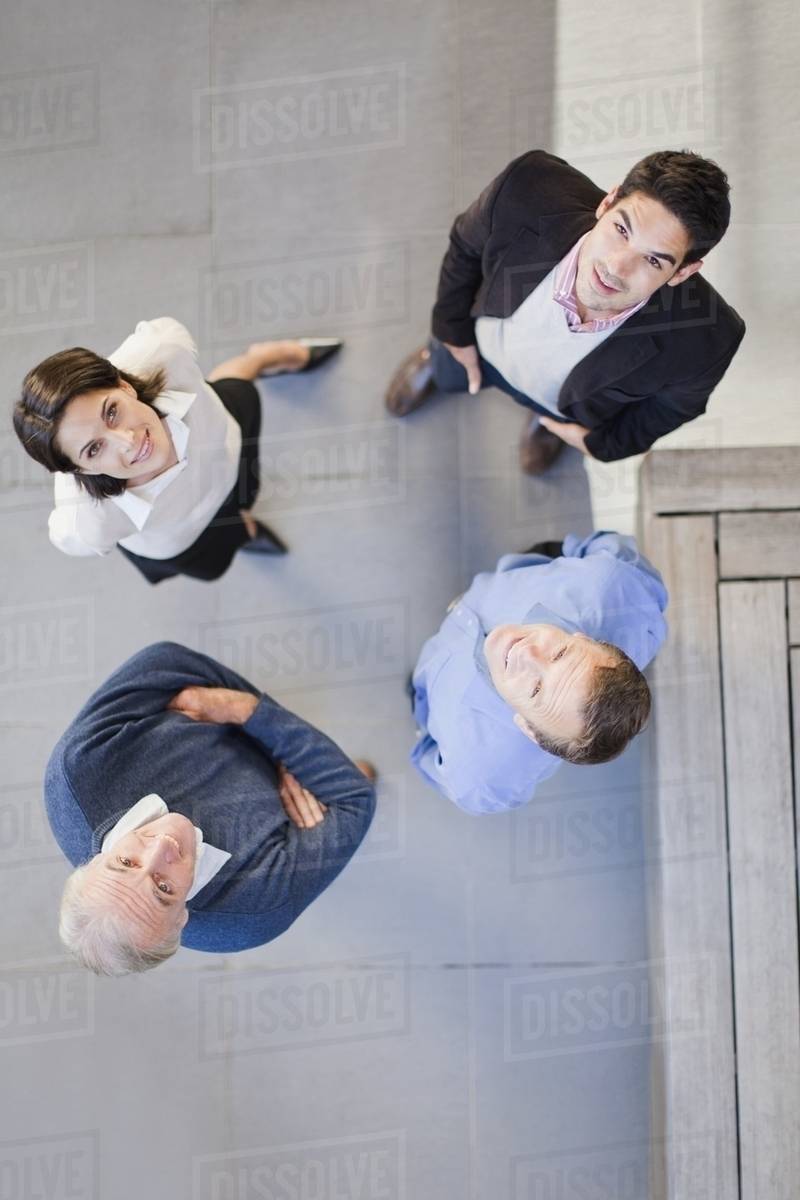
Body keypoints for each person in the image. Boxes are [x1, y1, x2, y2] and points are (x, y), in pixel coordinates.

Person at [385, 148, 745, 473]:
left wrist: (600, 444)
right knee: (448, 366)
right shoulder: (527, 189)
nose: (616, 267)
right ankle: (436, 362)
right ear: (607, 203)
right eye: (622, 229)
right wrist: (450, 331)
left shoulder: (707, 343)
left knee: (555, 418)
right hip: (482, 342)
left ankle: (546, 425)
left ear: (682, 273)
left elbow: (672, 409)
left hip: (563, 405)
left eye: (653, 260)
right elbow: (465, 245)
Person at [45, 642, 376, 974]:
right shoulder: (254, 913)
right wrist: (249, 714)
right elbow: (355, 799)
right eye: (164, 889)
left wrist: (261, 725)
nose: (162, 846)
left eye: (125, 862)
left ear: (94, 861)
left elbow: (167, 660)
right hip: (251, 745)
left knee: (332, 782)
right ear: (181, 920)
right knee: (347, 783)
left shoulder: (78, 768)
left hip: (261, 755)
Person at [13, 318, 342, 582]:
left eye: (112, 411)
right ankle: (243, 533)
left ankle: (263, 356)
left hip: (226, 448)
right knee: (222, 551)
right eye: (94, 448)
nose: (128, 441)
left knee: (235, 384)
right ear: (81, 470)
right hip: (188, 537)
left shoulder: (163, 353)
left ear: (124, 385)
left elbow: (162, 334)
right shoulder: (89, 521)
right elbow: (69, 536)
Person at [410, 532, 667, 814]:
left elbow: (431, 761)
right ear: (584, 639)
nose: (525, 652)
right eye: (560, 654)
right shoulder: (610, 581)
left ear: (528, 729)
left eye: (536, 689)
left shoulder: (479, 777)